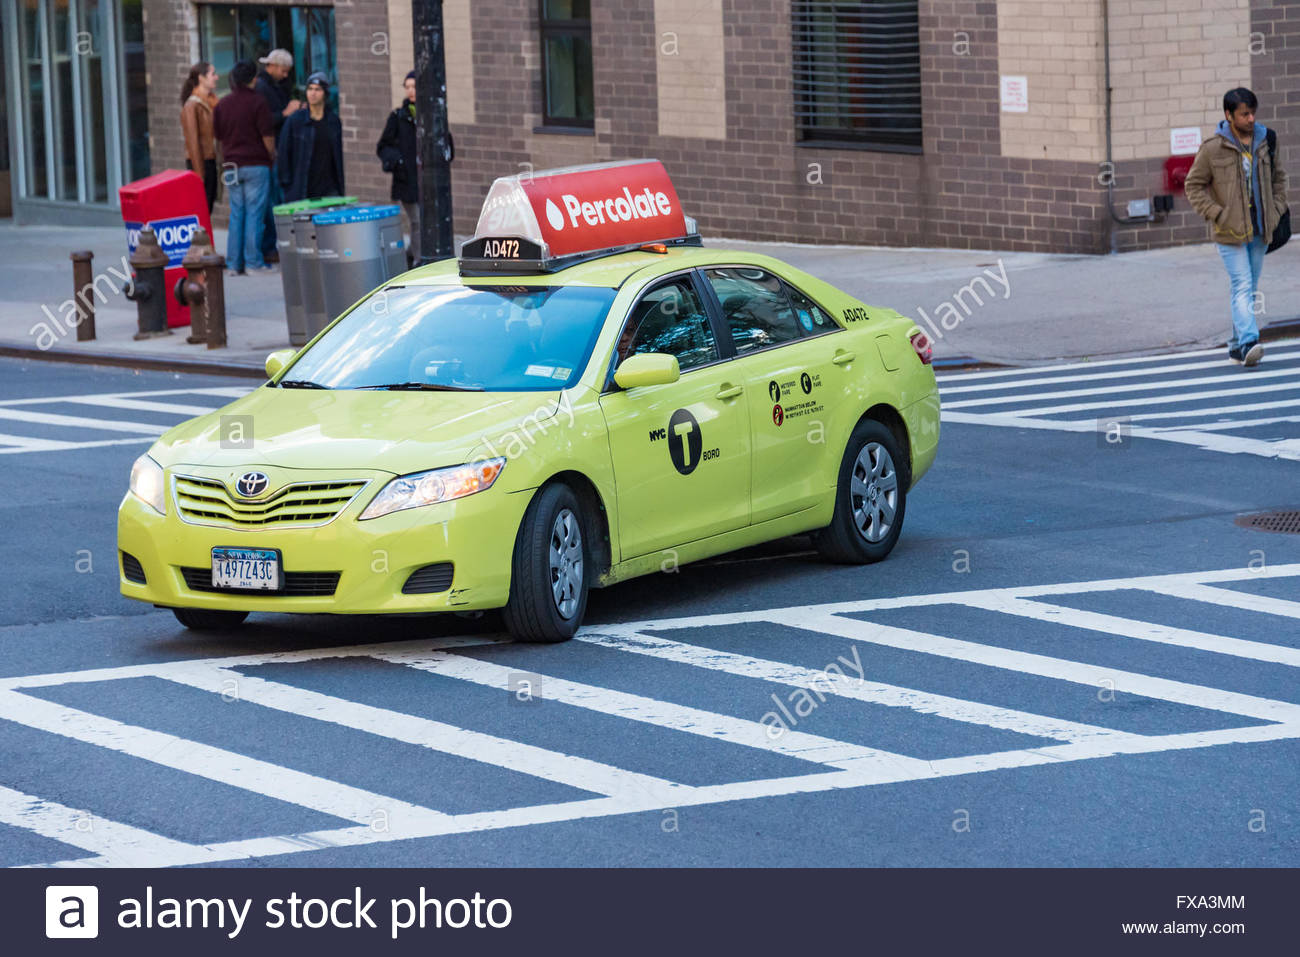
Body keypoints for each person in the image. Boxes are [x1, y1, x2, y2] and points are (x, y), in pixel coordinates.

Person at [1185, 87, 1288, 367]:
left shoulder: (1266, 141)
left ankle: (1234, 345)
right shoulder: (1212, 148)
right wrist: (1216, 213)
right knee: (1242, 285)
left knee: (1248, 288)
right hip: (1228, 232)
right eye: (1244, 114)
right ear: (1229, 115)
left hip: (1260, 229)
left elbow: (1279, 179)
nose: (1251, 118)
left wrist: (1277, 209)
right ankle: (1249, 342)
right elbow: (1193, 185)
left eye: (1253, 112)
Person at [212, 59, 276, 275]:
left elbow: (219, 141)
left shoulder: (222, 105)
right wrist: (271, 155)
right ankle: (253, 263)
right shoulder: (258, 102)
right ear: (253, 79)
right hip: (255, 164)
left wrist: (224, 161)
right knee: (254, 214)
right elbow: (267, 138)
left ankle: (233, 264)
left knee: (236, 214)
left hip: (231, 165)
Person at [255, 49, 301, 263]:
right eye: (283, 71)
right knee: (273, 202)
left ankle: (272, 245)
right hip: (271, 151)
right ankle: (269, 246)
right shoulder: (263, 89)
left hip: (277, 149)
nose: (285, 75)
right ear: (272, 66)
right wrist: (285, 113)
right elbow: (264, 122)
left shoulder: (274, 86)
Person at [277, 72, 344, 203]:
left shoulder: (333, 121)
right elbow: (284, 153)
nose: (313, 93)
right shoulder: (295, 121)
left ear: (325, 93)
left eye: (317, 90)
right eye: (310, 89)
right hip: (302, 188)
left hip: (329, 188)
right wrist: (287, 186)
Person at [377, 71, 420, 264]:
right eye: (407, 87)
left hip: (426, 181)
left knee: (423, 222)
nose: (410, 91)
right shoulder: (398, 116)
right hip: (406, 180)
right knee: (418, 221)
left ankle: (411, 255)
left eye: (415, 86)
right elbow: (383, 146)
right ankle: (420, 261)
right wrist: (398, 161)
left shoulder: (432, 113)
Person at [180, 62, 220, 213]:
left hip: (210, 160)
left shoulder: (212, 102)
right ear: (201, 78)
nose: (216, 77)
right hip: (201, 162)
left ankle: (204, 236)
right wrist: (199, 174)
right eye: (212, 74)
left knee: (207, 207)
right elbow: (192, 141)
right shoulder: (192, 106)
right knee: (202, 209)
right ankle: (200, 237)